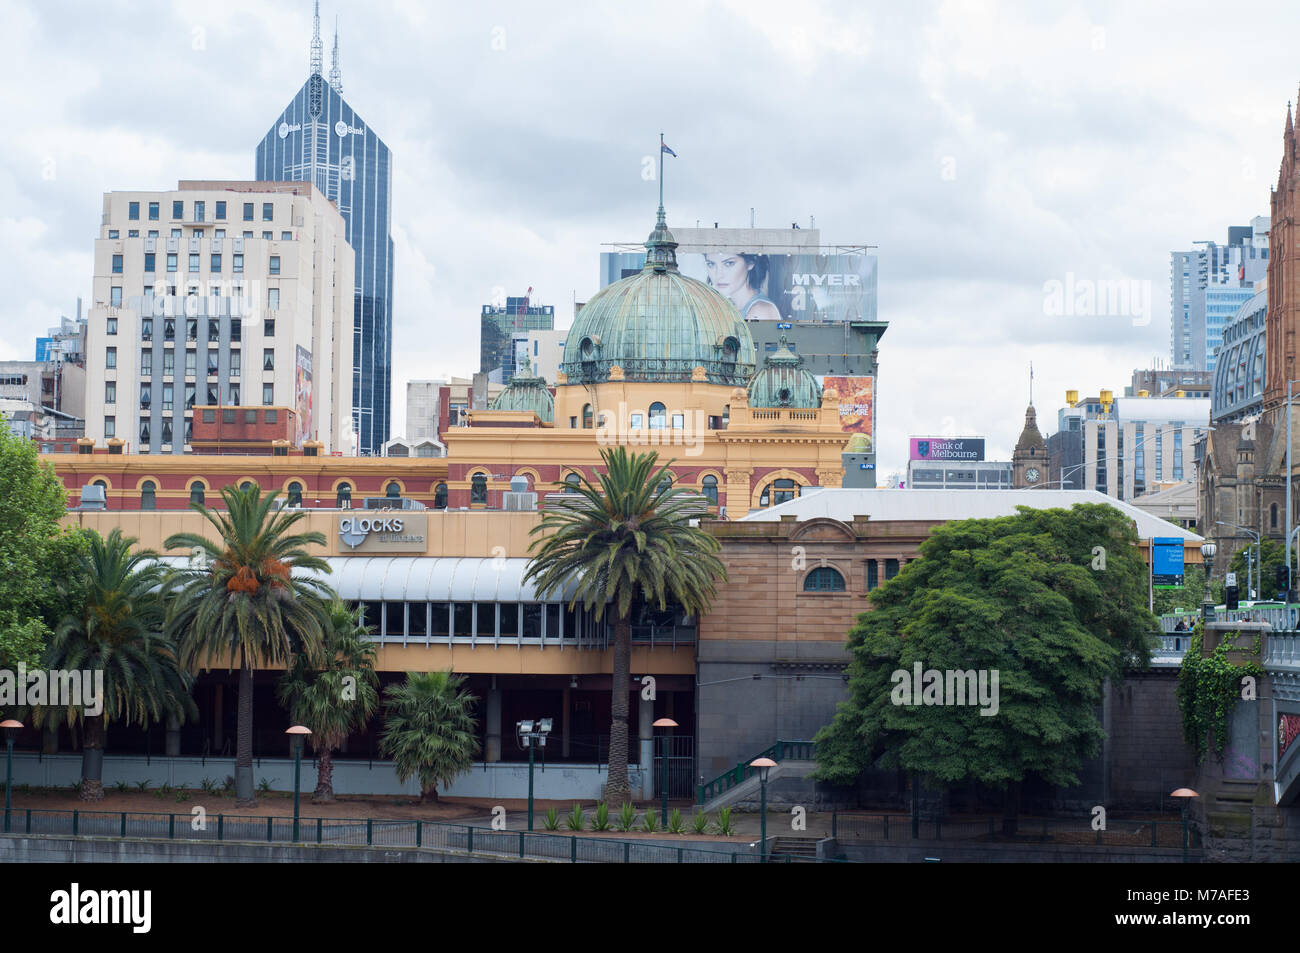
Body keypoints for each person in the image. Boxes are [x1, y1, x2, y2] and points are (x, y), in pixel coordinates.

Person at [703, 251, 782, 320]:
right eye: (711, 264)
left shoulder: (760, 312)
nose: (718, 275)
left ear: (750, 263)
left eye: (729, 263)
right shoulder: (728, 307)